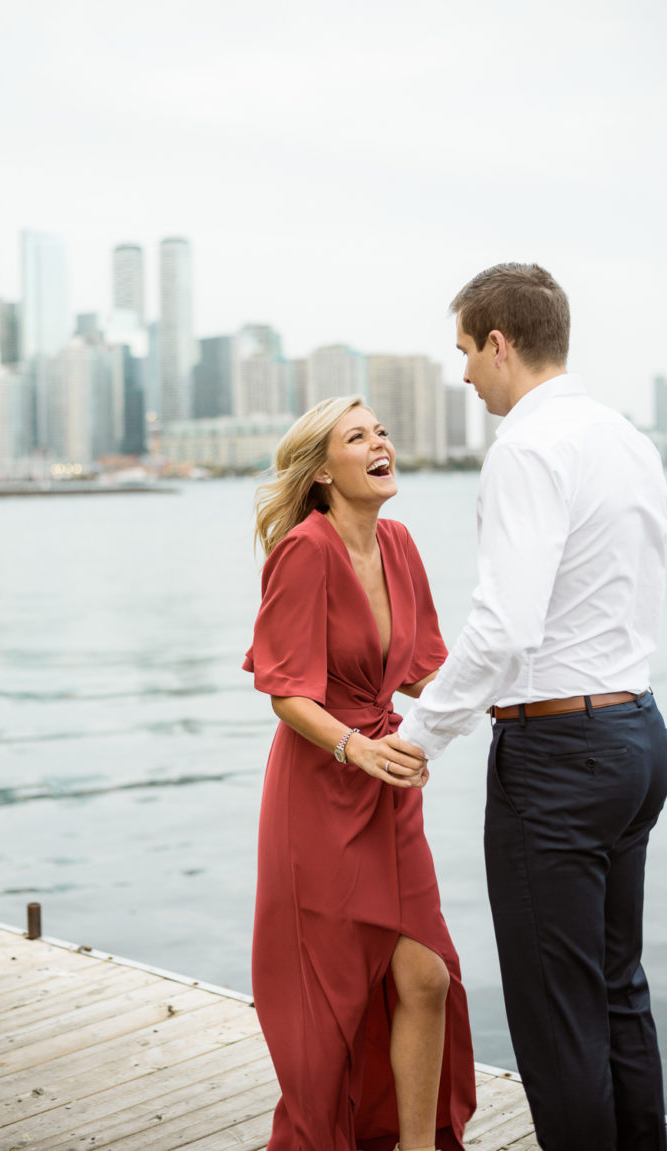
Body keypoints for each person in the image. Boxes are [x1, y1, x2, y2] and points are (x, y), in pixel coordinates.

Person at [398, 262, 667, 1151]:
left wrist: (421, 732)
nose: (465, 372)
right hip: (636, 734)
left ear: (501, 343)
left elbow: (506, 628)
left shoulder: (526, 448)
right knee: (616, 986)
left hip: (559, 757)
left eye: (467, 350)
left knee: (557, 1020)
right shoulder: (628, 439)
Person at [243, 396, 477, 1151]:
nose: (381, 442)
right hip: (320, 796)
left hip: (389, 792)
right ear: (321, 472)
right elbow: (287, 691)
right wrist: (357, 748)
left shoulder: (401, 543)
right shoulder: (304, 551)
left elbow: (423, 672)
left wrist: (508, 691)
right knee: (331, 1007)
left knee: (426, 976)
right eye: (357, 436)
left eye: (381, 430)